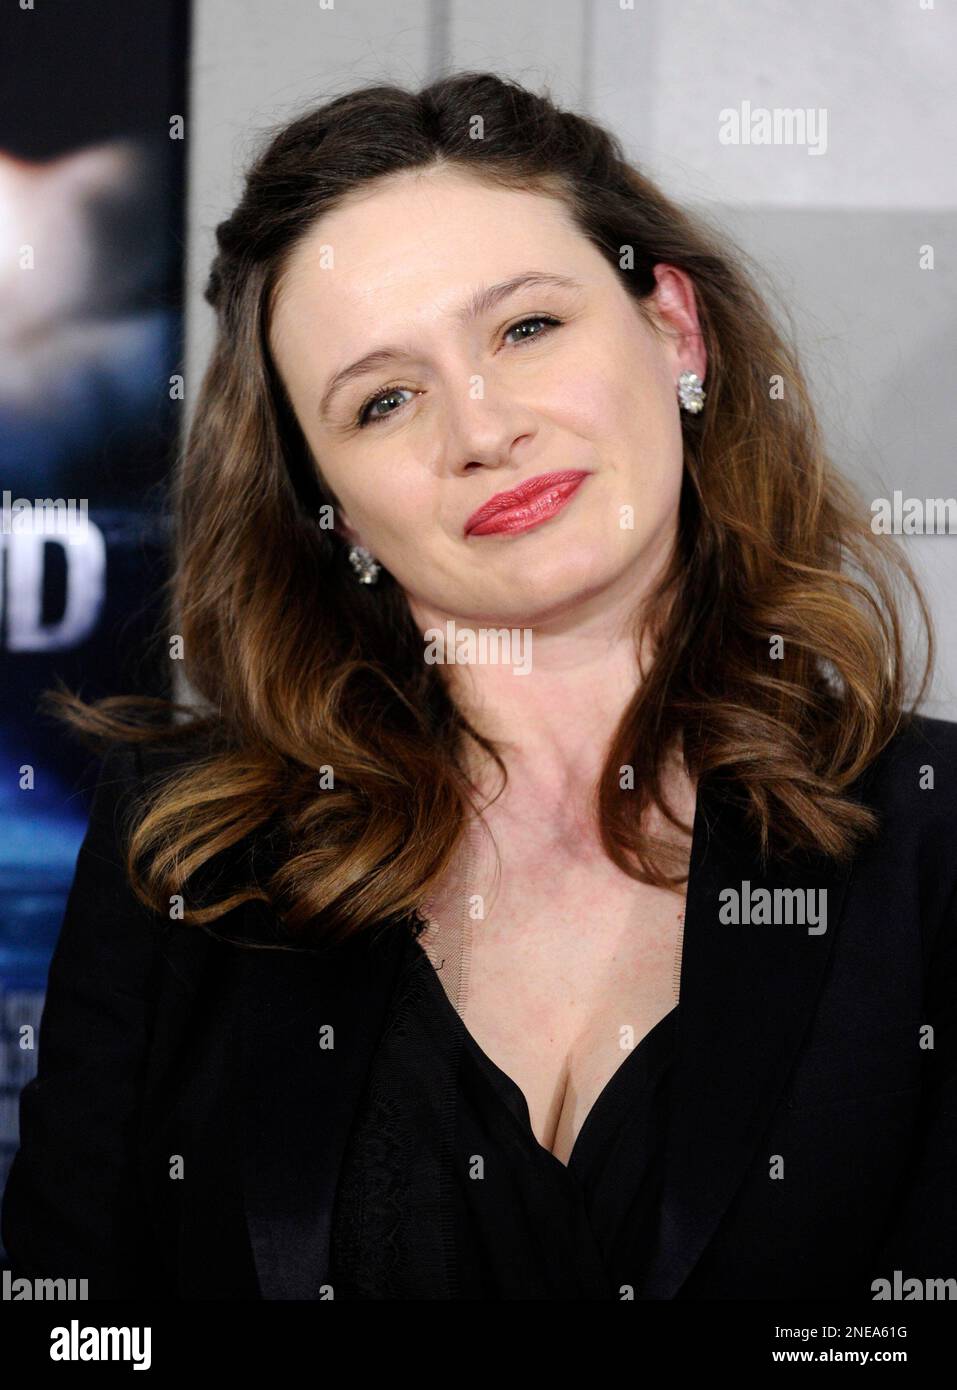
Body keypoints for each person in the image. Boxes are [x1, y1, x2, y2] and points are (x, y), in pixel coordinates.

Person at [3, 70, 955, 1301]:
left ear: (675, 328)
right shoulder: (184, 853)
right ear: (329, 502)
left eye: (526, 328)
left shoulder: (934, 839)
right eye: (384, 400)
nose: (482, 428)